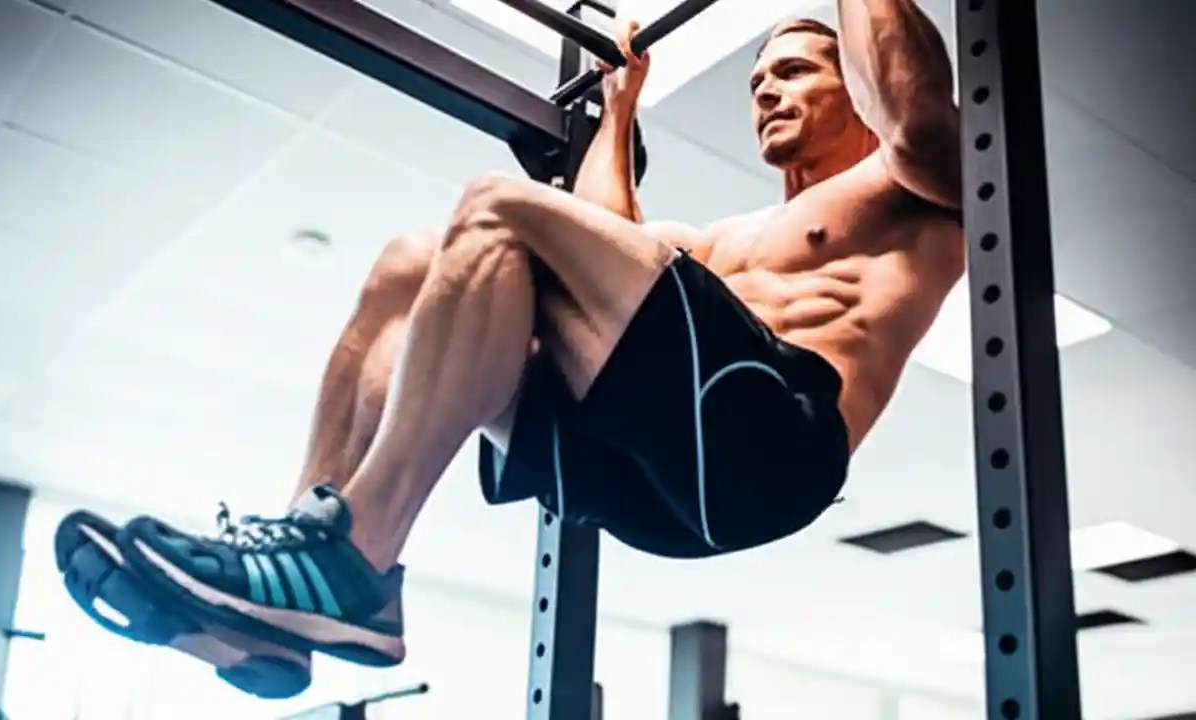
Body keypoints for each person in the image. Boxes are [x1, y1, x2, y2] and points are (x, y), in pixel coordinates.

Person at [54, 0, 964, 699]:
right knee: (415, 262)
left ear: (855, 83)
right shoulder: (727, 238)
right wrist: (619, 109)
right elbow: (603, 245)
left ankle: (352, 561)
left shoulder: (917, 188)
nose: (763, 90)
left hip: (770, 451)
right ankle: (300, 576)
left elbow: (919, 119)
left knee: (499, 204)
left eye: (793, 70)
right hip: (660, 485)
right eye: (756, 78)